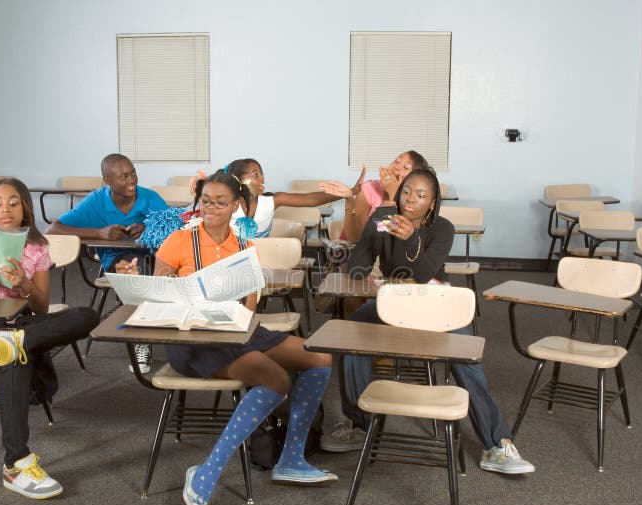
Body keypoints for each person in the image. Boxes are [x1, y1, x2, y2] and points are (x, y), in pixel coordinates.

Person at [116, 170, 336, 505]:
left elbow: (250, 304)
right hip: (191, 339)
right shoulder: (178, 240)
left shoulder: (243, 246)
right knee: (275, 379)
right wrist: (145, 279)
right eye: (205, 201)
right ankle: (207, 472)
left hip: (235, 329)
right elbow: (159, 294)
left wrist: (243, 316)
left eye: (220, 202)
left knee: (320, 357)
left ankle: (292, 458)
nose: (211, 208)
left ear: (236, 205)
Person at [319, 168, 535, 475]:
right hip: (394, 303)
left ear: (432, 203)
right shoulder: (382, 217)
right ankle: (357, 425)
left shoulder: (442, 228)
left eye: (421, 196)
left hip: (437, 307)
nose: (410, 199)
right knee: (353, 334)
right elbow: (359, 264)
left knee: (467, 358)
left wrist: (410, 239)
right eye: (407, 191)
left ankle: (496, 444)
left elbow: (422, 274)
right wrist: (362, 256)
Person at [0, 178, 100, 499]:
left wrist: (24, 284)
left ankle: (13, 340)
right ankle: (16, 464)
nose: (5, 210)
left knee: (87, 315)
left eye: (13, 202)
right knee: (15, 355)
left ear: (25, 206)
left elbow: (41, 306)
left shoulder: (37, 246)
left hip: (17, 323)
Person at [46, 153, 168, 374]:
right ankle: (140, 338)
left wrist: (148, 227)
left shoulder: (150, 198)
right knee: (133, 272)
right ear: (108, 181)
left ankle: (147, 326)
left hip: (156, 258)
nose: (131, 180)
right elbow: (53, 230)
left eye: (133, 173)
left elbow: (174, 228)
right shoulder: (96, 201)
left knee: (149, 269)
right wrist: (99, 233)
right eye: (123, 176)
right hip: (117, 261)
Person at [192, 158, 362, 238]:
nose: (262, 179)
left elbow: (309, 199)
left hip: (263, 261)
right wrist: (200, 190)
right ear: (240, 180)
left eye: (261, 174)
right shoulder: (226, 203)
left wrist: (351, 191)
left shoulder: (272, 200)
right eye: (255, 175)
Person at [320, 150, 431, 243]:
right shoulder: (369, 189)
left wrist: (394, 195)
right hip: (355, 254)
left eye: (406, 167)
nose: (397, 167)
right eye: (396, 161)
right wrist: (350, 200)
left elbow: (395, 238)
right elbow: (360, 237)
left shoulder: (415, 201)